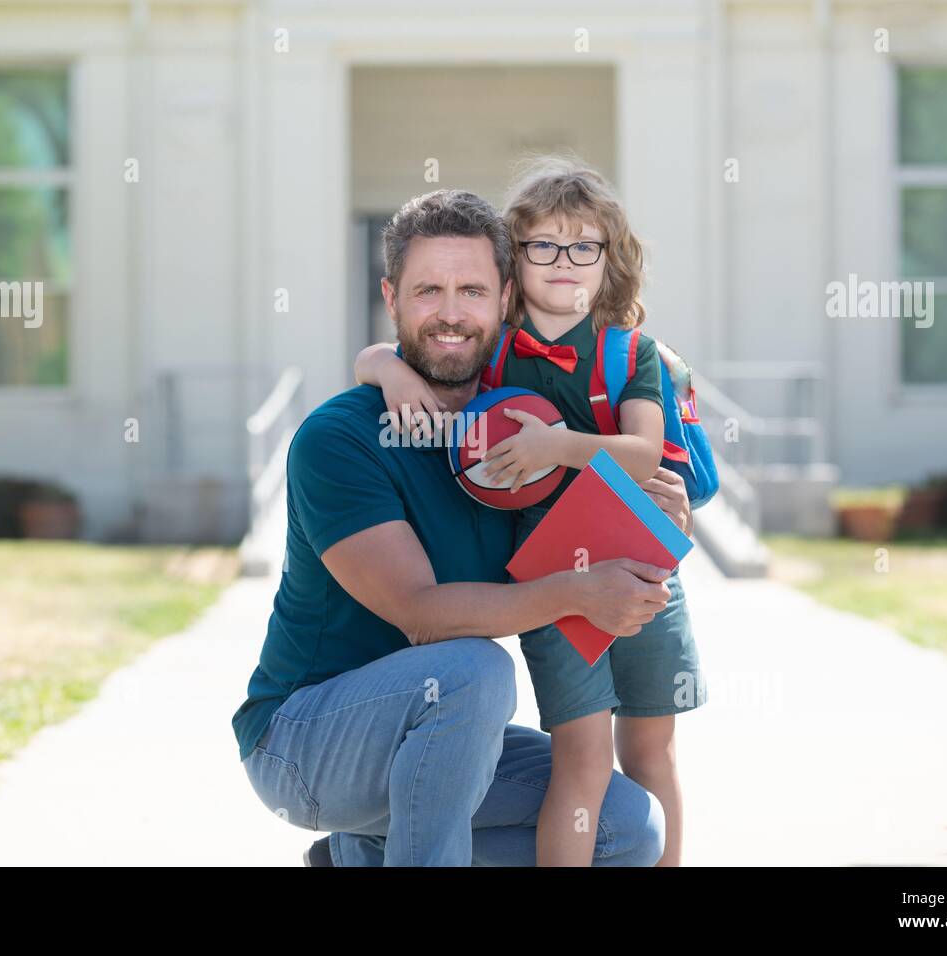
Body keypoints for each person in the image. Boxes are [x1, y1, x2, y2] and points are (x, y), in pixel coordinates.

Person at [231, 188, 687, 865]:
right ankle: (367, 838)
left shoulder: (528, 435)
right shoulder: (338, 439)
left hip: (440, 740)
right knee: (474, 671)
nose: (450, 314)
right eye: (427, 291)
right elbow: (420, 615)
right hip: (305, 743)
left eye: (471, 290)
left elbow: (608, 508)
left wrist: (652, 509)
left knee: (627, 825)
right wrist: (580, 591)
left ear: (506, 301)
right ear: (391, 298)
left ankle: (359, 852)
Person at [353, 159, 706, 866]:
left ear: (612, 261)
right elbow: (376, 357)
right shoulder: (495, 352)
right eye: (544, 245)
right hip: (555, 587)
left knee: (652, 751)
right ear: (517, 263)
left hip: (643, 573)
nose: (565, 262)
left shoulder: (631, 353)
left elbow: (643, 451)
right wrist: (389, 369)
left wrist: (558, 446)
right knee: (580, 762)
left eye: (585, 246)